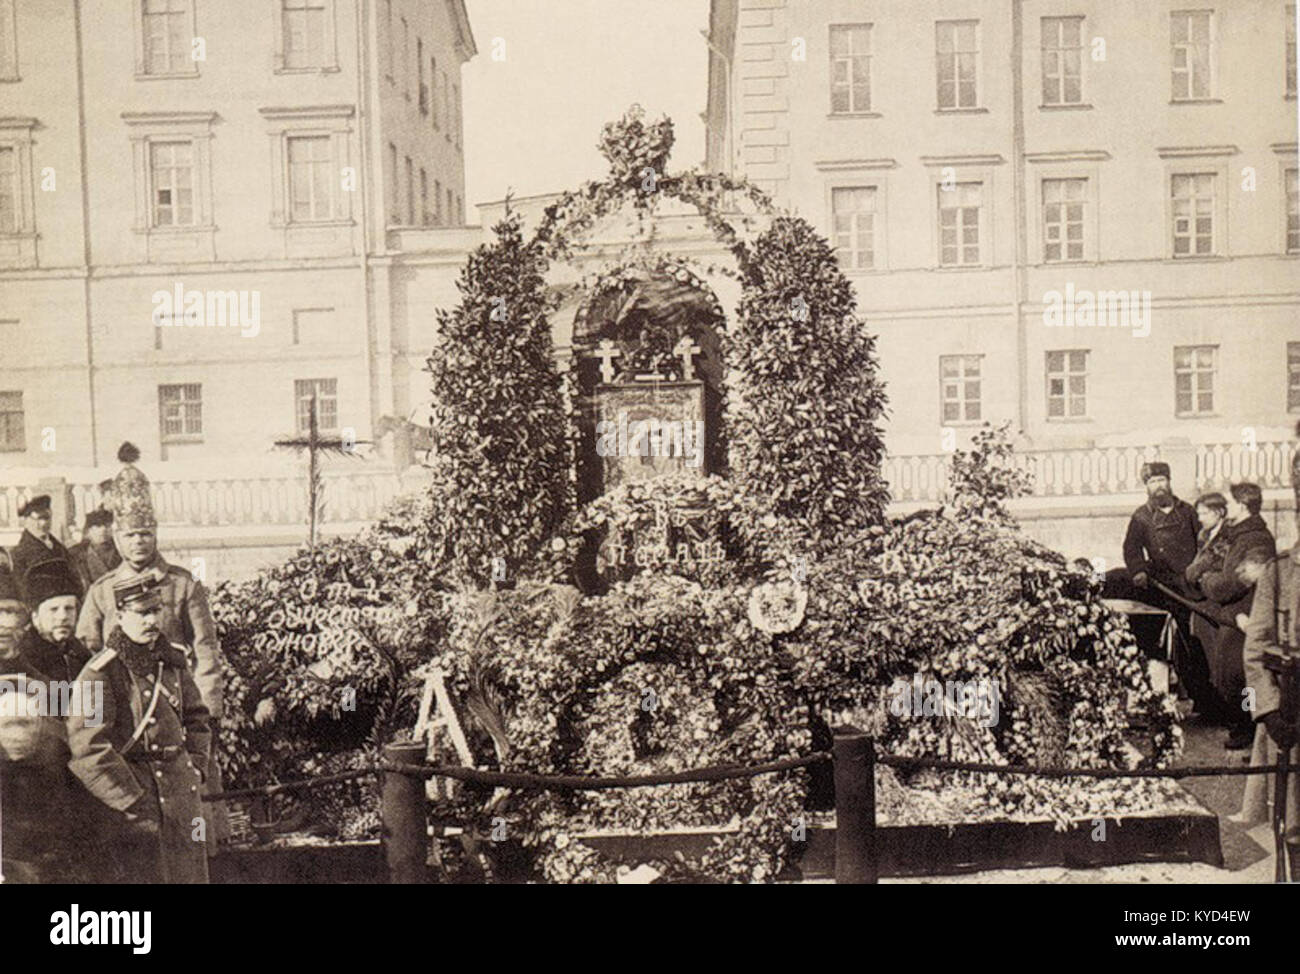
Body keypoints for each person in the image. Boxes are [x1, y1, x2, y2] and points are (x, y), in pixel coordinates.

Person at [77, 442, 229, 846]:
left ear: (155, 535)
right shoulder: (103, 589)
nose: (138, 542)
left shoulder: (183, 584)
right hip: (128, 713)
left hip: (179, 704)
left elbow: (206, 650)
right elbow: (89, 647)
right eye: (129, 535)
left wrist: (206, 710)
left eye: (146, 534)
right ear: (118, 538)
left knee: (192, 834)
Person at [65, 572, 212, 883]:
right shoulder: (98, 675)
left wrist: (196, 767)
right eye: (141, 612)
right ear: (120, 615)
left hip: (183, 799)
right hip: (136, 807)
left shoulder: (170, 663)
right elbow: (89, 749)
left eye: (156, 610)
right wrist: (132, 801)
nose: (151, 620)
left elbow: (197, 719)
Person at [0, 559, 99, 883]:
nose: (5, 624)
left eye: (12, 613)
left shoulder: (70, 661)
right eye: (53, 608)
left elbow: (88, 722)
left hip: (58, 800)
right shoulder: (28, 663)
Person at [1237, 531, 1300, 876]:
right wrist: (1269, 710)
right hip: (1294, 711)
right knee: (1295, 818)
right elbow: (1256, 650)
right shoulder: (1280, 573)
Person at [1199, 483, 1276, 749]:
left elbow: (1235, 582)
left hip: (1247, 620)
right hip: (1236, 617)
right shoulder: (1240, 536)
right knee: (1230, 676)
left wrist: (1207, 581)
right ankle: (1244, 728)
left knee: (1241, 678)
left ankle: (1250, 730)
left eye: (1229, 503)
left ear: (1242, 506)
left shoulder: (1258, 539)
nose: (1225, 507)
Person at [1183, 492, 1232, 721]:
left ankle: (1232, 710)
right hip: (1205, 604)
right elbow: (1193, 571)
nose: (1199, 518)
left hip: (1222, 606)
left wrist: (1198, 572)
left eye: (1203, 513)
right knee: (1206, 655)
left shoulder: (1228, 537)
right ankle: (1214, 707)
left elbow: (1201, 569)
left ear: (1218, 513)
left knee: (1223, 658)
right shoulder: (1205, 535)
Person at [9, 494, 78, 603]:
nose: (44, 523)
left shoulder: (59, 547)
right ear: (26, 521)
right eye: (39, 518)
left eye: (47, 517)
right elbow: (22, 591)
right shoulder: (19, 553)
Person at [67, 508, 122, 592]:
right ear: (89, 531)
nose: (103, 530)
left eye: (107, 525)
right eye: (98, 526)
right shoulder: (76, 555)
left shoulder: (121, 550)